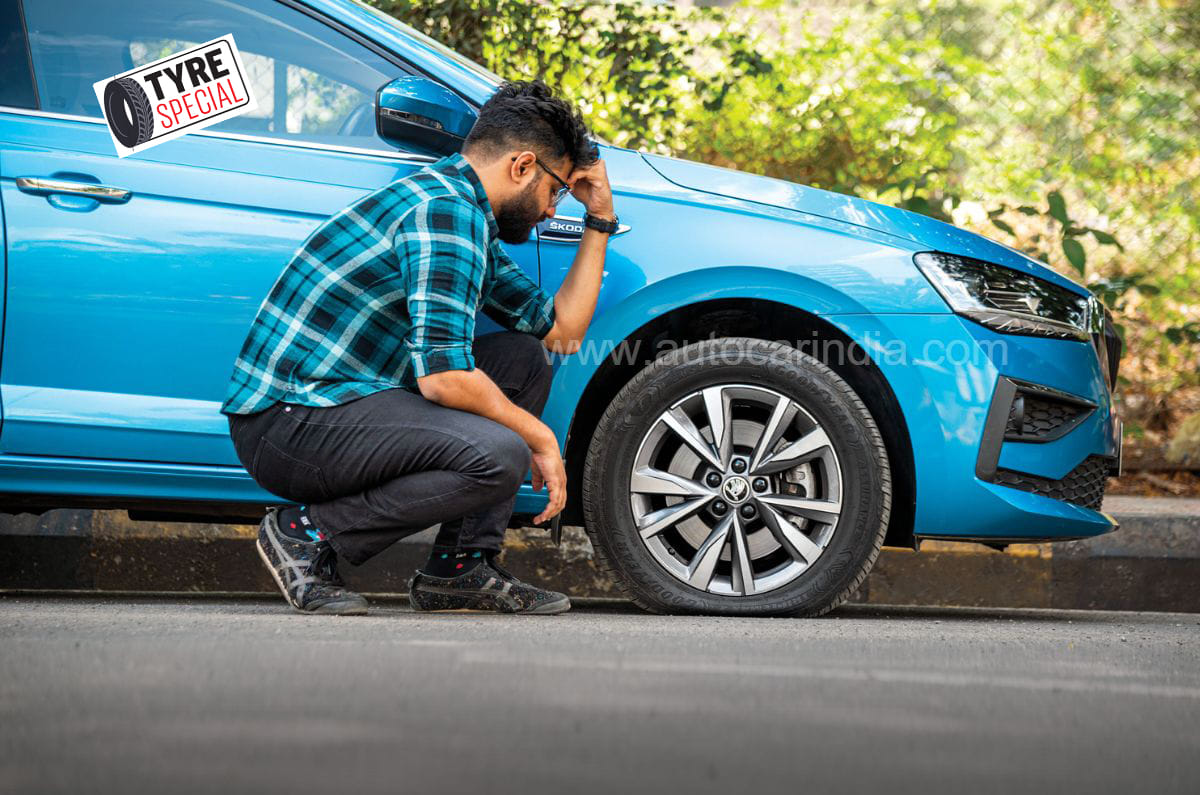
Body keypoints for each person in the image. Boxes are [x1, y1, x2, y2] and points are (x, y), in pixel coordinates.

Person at [220, 80, 615, 616]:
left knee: (523, 361)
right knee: (502, 454)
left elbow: (562, 332)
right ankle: (305, 533)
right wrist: (540, 437)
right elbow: (444, 378)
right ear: (522, 166)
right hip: (289, 423)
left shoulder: (464, 213)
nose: (551, 211)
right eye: (558, 191)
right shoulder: (445, 215)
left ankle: (460, 571)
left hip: (336, 405)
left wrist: (599, 219)